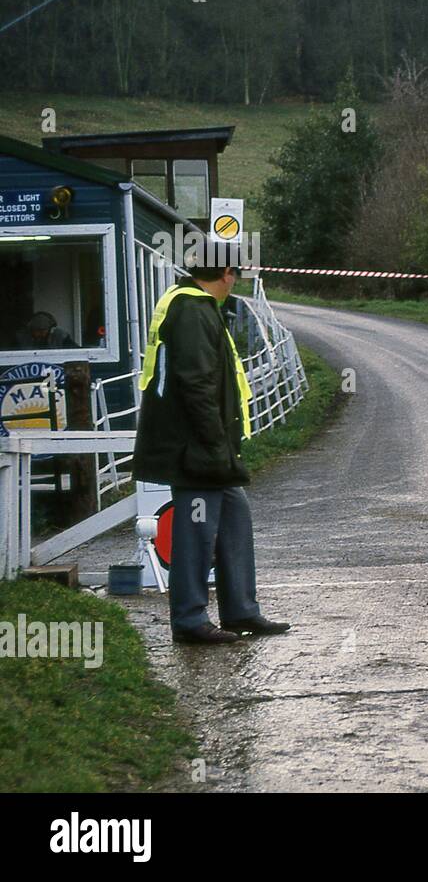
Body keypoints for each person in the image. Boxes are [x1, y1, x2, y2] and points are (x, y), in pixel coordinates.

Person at [133, 248, 290, 644]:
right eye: (233, 274)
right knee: (196, 531)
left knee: (235, 518)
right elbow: (196, 383)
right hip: (195, 449)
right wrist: (215, 443)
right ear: (224, 272)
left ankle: (241, 611)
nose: (234, 281)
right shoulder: (193, 311)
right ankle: (189, 620)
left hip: (204, 447)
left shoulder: (191, 305)